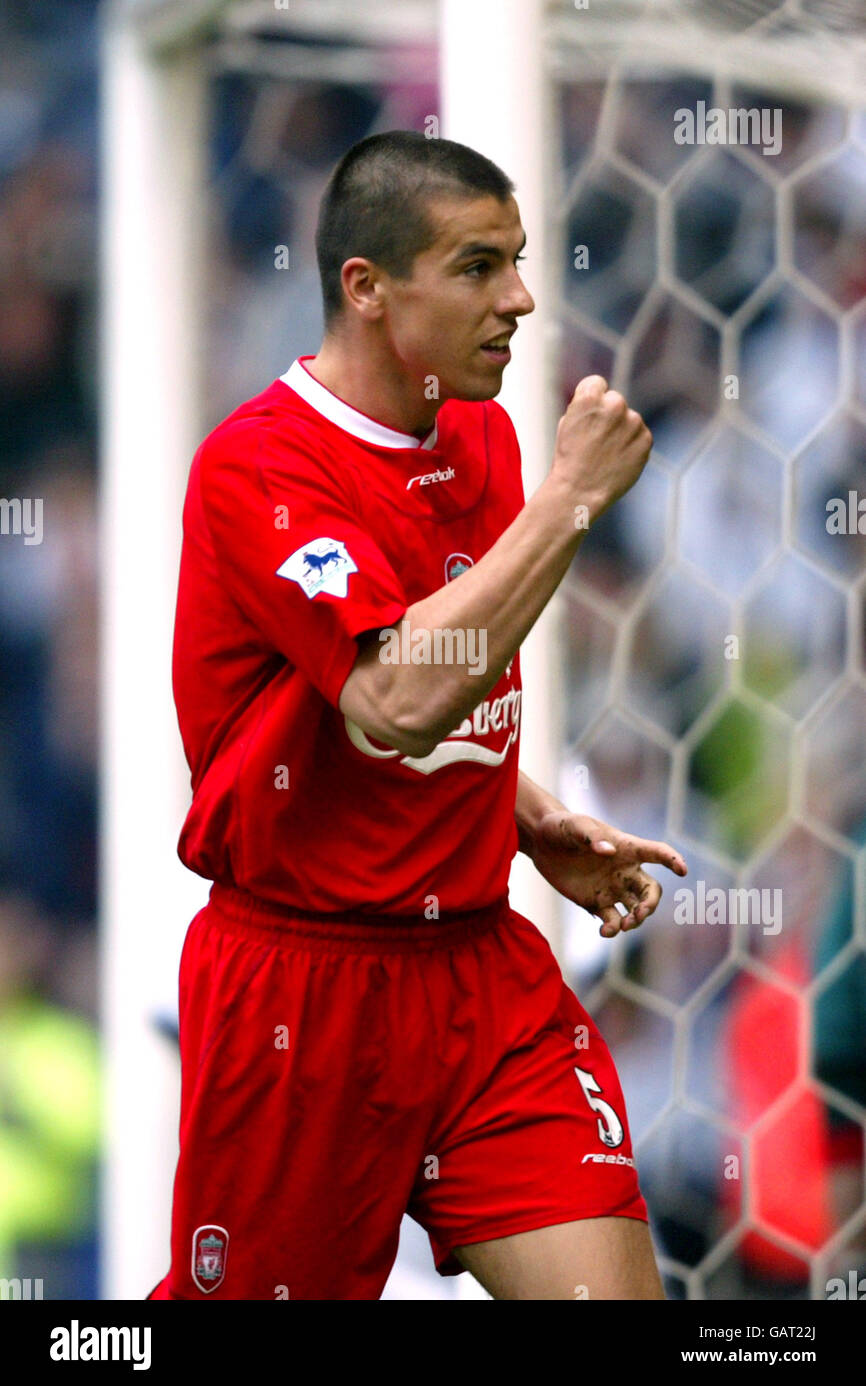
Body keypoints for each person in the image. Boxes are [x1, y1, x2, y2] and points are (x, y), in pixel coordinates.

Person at [147, 130, 687, 1302]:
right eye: (480, 266)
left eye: (521, 261)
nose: (521, 298)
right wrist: (573, 501)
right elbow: (390, 695)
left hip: (481, 974)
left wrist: (523, 811)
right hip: (303, 987)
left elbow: (454, 685)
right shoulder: (258, 468)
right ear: (366, 287)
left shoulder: (483, 437)